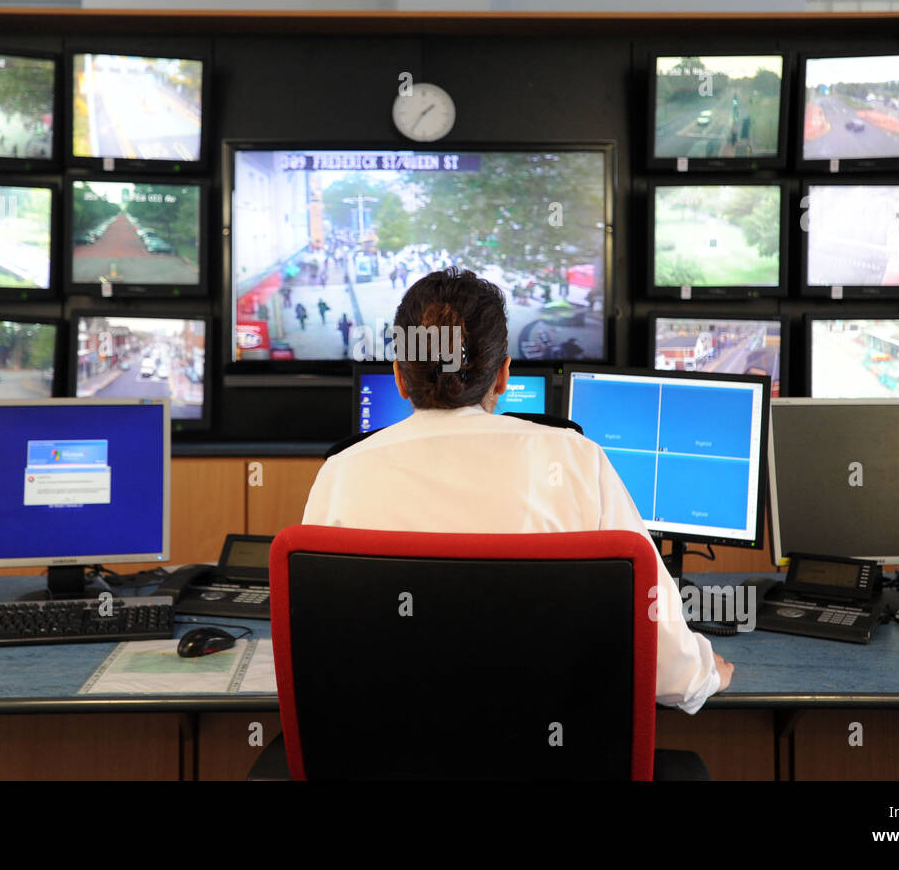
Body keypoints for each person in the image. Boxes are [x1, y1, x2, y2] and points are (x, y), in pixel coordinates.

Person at [302, 268, 732, 715]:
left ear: (399, 377)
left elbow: (316, 645)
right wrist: (704, 672)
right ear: (504, 374)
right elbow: (667, 664)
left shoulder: (341, 474)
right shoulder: (575, 461)